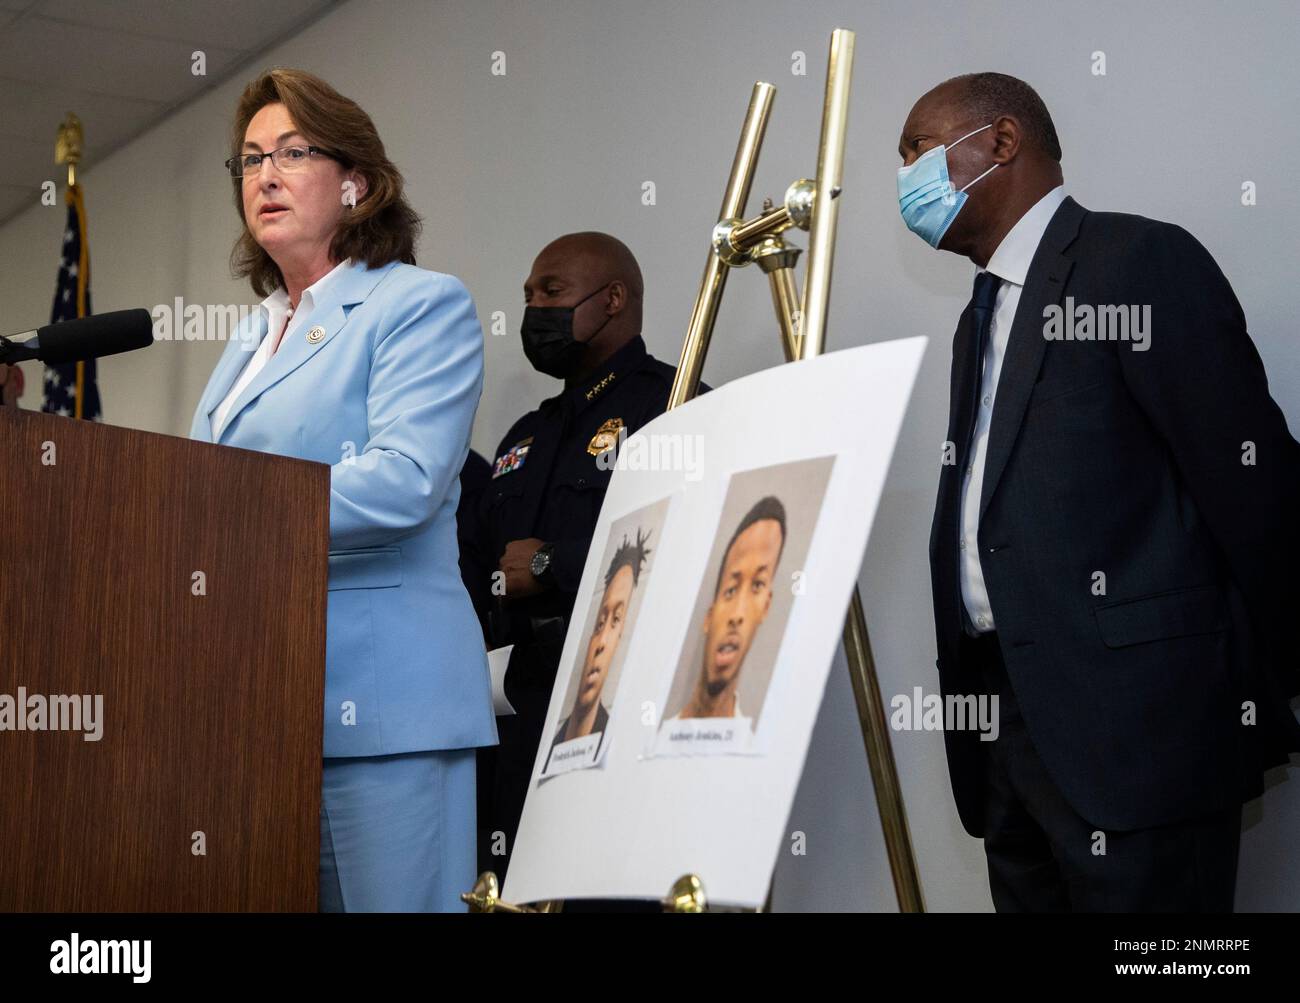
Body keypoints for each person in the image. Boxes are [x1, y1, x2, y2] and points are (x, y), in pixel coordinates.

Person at [899, 71, 1300, 911]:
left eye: (917, 152)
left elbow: (1252, 480)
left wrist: (1268, 687)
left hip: (1142, 743)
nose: (904, 181)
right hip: (1008, 735)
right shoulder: (980, 314)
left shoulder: (1136, 261)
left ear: (1001, 143)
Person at [189, 68, 495, 912]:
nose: (265, 175)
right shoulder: (253, 334)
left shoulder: (418, 305)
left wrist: (229, 512)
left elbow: (402, 481)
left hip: (387, 705)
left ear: (356, 182)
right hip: (262, 705)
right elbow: (192, 487)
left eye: (292, 152)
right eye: (249, 160)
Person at [467, 231, 696, 878]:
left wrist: (551, 564)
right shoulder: (523, 437)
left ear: (613, 298)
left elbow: (688, 541)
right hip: (520, 716)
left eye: (552, 291)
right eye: (528, 295)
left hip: (622, 713)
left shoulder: (673, 405)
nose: (534, 308)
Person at [673, 497, 785, 722]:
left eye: (757, 585)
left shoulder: (749, 748)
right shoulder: (655, 740)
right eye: (731, 591)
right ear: (709, 616)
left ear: (766, 605)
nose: (737, 615)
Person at [547, 529, 651, 763]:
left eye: (615, 621)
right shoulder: (549, 747)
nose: (602, 643)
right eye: (600, 622)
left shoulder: (619, 749)